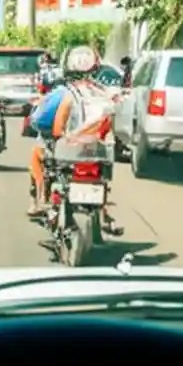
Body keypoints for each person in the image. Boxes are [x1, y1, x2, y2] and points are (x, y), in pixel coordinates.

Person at [26, 46, 122, 235]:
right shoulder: (104, 93)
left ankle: (39, 200)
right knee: (103, 175)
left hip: (69, 151)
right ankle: (104, 212)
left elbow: (54, 128)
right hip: (98, 152)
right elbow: (111, 124)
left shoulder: (66, 93)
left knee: (37, 153)